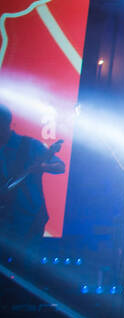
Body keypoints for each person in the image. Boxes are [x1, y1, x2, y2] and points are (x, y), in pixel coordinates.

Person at [0, 103, 66, 244]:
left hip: (28, 219)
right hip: (4, 217)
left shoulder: (29, 144)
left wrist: (42, 167)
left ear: (5, 123)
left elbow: (61, 166)